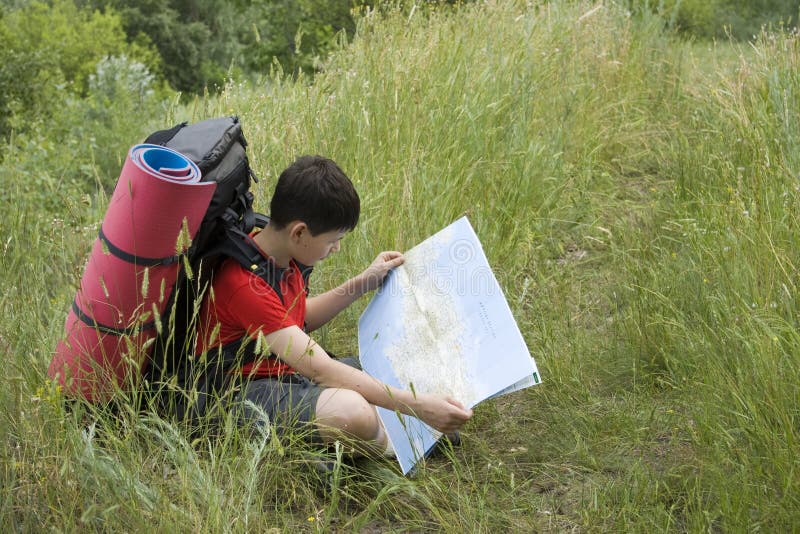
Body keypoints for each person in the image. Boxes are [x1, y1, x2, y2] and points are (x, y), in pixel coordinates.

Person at [191, 155, 472, 455]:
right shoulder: (245, 285)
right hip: (240, 395)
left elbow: (299, 320)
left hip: (287, 373)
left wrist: (363, 281)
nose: (336, 248)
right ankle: (401, 446)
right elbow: (323, 369)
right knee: (354, 412)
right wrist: (417, 407)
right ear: (299, 232)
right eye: (332, 240)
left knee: (392, 363)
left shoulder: (276, 253)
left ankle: (370, 433)